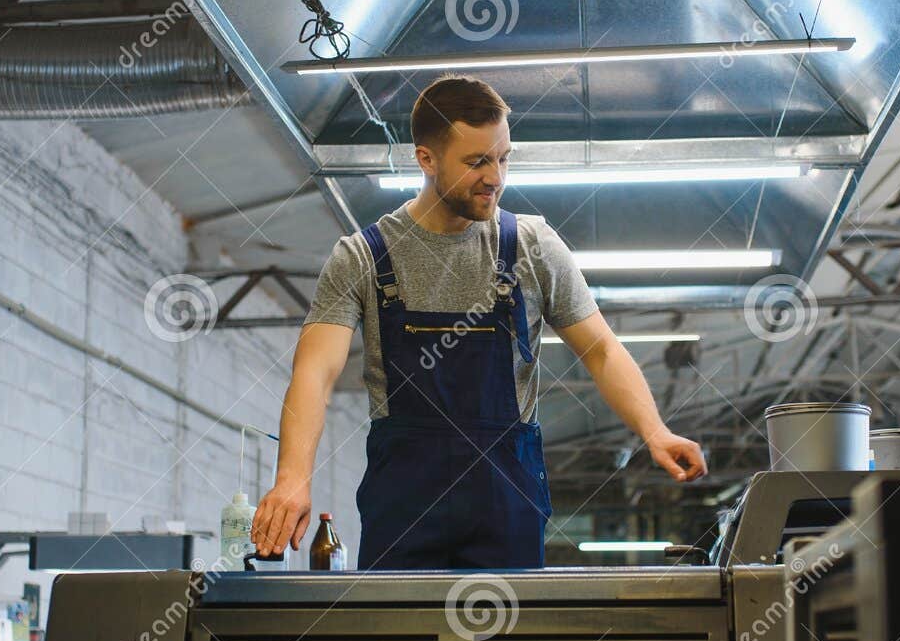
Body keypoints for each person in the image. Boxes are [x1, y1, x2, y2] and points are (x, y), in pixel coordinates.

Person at [251, 75, 707, 569]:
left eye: (503, 157)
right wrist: (292, 477)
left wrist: (654, 430)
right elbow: (314, 373)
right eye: (476, 162)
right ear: (426, 159)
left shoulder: (531, 246)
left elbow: (600, 349)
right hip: (404, 504)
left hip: (506, 499)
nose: (495, 177)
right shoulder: (361, 257)